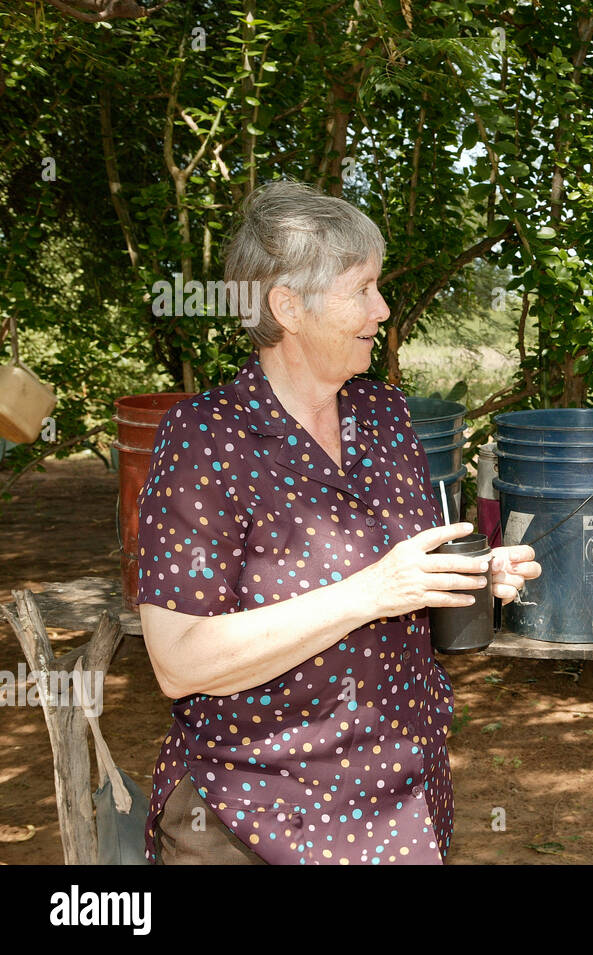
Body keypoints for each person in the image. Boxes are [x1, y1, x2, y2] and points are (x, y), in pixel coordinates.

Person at [136, 180, 540, 864]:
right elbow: (178, 662)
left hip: (402, 804)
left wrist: (474, 571)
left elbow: (407, 580)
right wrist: (371, 591)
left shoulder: (385, 416)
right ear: (287, 306)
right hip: (253, 814)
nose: (382, 309)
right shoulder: (205, 438)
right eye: (362, 289)